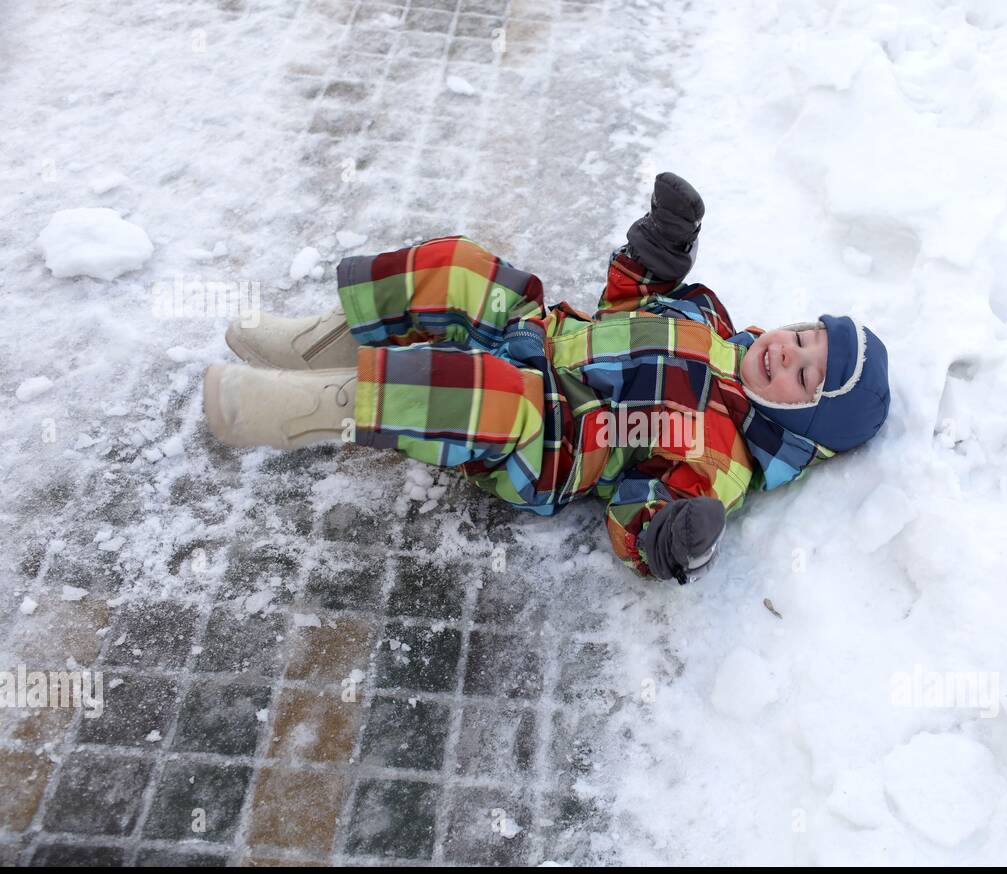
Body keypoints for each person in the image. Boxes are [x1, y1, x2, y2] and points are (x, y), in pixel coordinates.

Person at [203, 173, 890, 583]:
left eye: (807, 377)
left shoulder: (721, 457)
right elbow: (627, 304)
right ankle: (321, 339)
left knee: (481, 393)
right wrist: (660, 249)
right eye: (803, 338)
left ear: (803, 422)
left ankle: (311, 408)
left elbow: (638, 507)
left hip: (552, 435)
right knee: (460, 265)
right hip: (540, 335)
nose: (788, 354)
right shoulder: (709, 316)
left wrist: (669, 535)